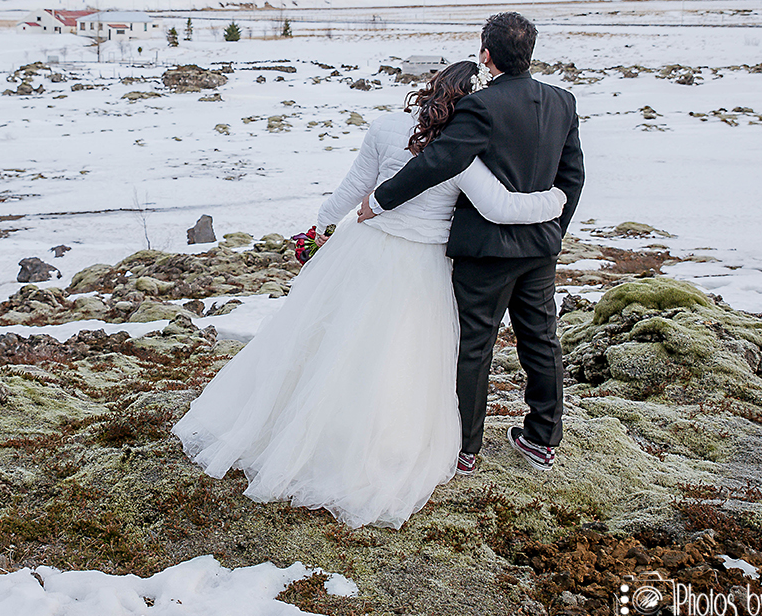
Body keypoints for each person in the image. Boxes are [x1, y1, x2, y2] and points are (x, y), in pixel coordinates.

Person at [172, 60, 567, 529]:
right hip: (422, 264)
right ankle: (376, 442)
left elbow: (353, 189)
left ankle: (299, 428)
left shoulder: (386, 127)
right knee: (397, 357)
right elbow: (499, 207)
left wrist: (319, 226)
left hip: (363, 248)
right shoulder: (464, 151)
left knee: (332, 341)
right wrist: (556, 200)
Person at [360, 11, 584, 476]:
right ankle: (542, 439)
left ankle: (464, 448)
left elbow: (440, 160)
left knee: (474, 346)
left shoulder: (481, 106)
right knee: (542, 339)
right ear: (530, 53)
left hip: (486, 250)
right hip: (539, 248)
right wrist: (552, 235)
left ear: (486, 55)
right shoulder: (563, 101)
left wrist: (380, 201)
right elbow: (573, 177)